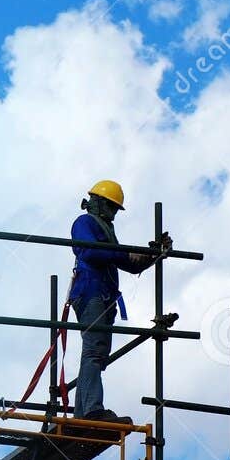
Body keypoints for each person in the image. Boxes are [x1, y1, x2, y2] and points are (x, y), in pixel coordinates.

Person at [68, 179, 167, 421]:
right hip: (90, 292)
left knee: (97, 353)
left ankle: (84, 413)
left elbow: (128, 265)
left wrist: (152, 254)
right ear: (98, 203)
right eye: (111, 207)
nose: (113, 213)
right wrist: (122, 252)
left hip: (103, 297)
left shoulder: (106, 231)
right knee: (93, 350)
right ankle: (91, 410)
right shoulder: (85, 222)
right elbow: (89, 251)